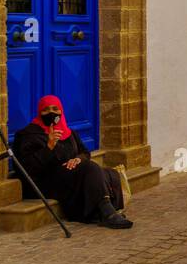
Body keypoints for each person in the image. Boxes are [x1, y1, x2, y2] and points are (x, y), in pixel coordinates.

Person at [13, 95, 132, 228]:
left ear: (61, 111)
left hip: (70, 174)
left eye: (55, 109)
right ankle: (107, 213)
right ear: (39, 112)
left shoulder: (69, 132)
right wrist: (49, 147)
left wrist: (78, 159)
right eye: (45, 110)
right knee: (90, 169)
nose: (51, 113)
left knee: (106, 172)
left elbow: (85, 152)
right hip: (47, 180)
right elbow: (27, 167)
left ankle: (103, 212)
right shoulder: (28, 134)